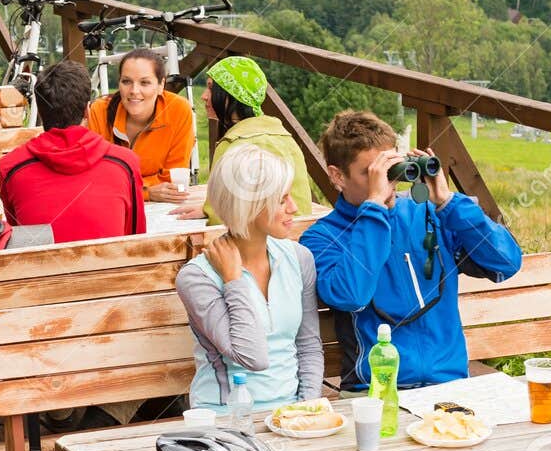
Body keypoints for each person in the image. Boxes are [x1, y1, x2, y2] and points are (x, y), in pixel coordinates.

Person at [303, 109, 523, 391]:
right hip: (374, 393)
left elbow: (506, 263)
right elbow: (351, 295)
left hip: (450, 385)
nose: (387, 183)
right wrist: (374, 209)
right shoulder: (323, 238)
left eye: (390, 169)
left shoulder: (430, 215)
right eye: (372, 173)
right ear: (337, 176)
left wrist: (448, 202)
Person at [175, 144, 323, 412]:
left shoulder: (299, 258)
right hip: (224, 417)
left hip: (290, 415)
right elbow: (252, 356)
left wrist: (307, 409)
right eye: (282, 199)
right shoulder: (197, 277)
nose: (294, 207)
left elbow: (308, 346)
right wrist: (233, 280)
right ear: (250, 207)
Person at [0, 60, 146, 244]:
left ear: (41, 113)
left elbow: (20, 238)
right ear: (87, 111)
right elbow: (135, 238)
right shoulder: (125, 162)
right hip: (110, 269)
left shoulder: (11, 167)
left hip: (42, 270)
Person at [171, 55, 313, 222]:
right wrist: (208, 208)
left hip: (259, 243)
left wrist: (213, 211)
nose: (203, 96)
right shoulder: (283, 137)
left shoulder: (233, 145)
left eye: (210, 88)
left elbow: (220, 221)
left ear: (232, 94)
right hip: (297, 233)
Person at [87, 48, 195, 201]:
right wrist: (146, 191)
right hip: (110, 205)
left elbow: (175, 182)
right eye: (126, 81)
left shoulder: (179, 110)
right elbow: (95, 179)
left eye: (144, 83)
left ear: (160, 85)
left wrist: (123, 187)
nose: (134, 91)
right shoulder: (99, 111)